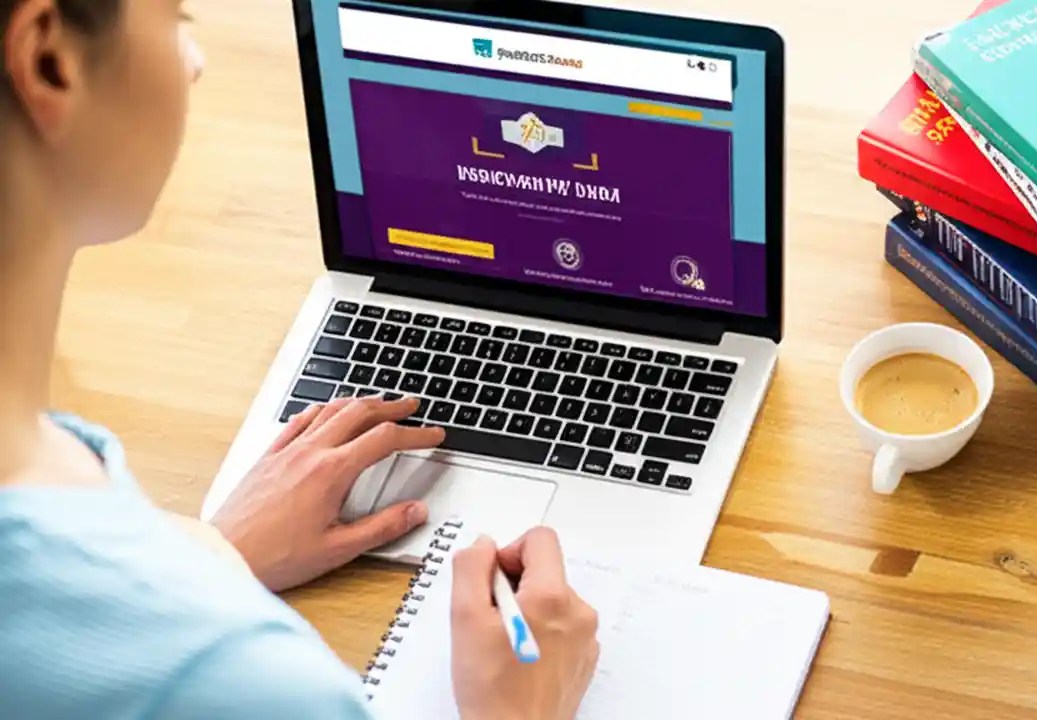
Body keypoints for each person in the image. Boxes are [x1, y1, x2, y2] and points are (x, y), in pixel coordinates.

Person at [0, 1, 600, 718]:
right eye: (176, 16)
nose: (195, 60)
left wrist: (212, 556)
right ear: (48, 59)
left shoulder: (51, 462)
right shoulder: (258, 687)